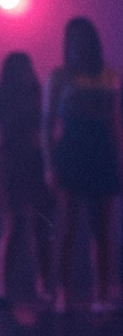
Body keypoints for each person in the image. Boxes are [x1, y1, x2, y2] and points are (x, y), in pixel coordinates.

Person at [44, 18, 121, 314]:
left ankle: (101, 294)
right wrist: (49, 165)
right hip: (72, 152)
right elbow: (46, 124)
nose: (79, 45)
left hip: (102, 151)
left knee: (102, 229)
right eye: (74, 40)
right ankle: (62, 292)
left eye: (83, 39)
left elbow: (115, 121)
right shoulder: (59, 77)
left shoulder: (110, 75)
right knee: (67, 227)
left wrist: (119, 157)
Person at [0, 52, 53, 312]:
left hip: (31, 164)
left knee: (36, 228)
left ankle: (37, 287)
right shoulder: (8, 96)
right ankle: (5, 290)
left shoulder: (35, 95)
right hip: (15, 164)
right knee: (15, 227)